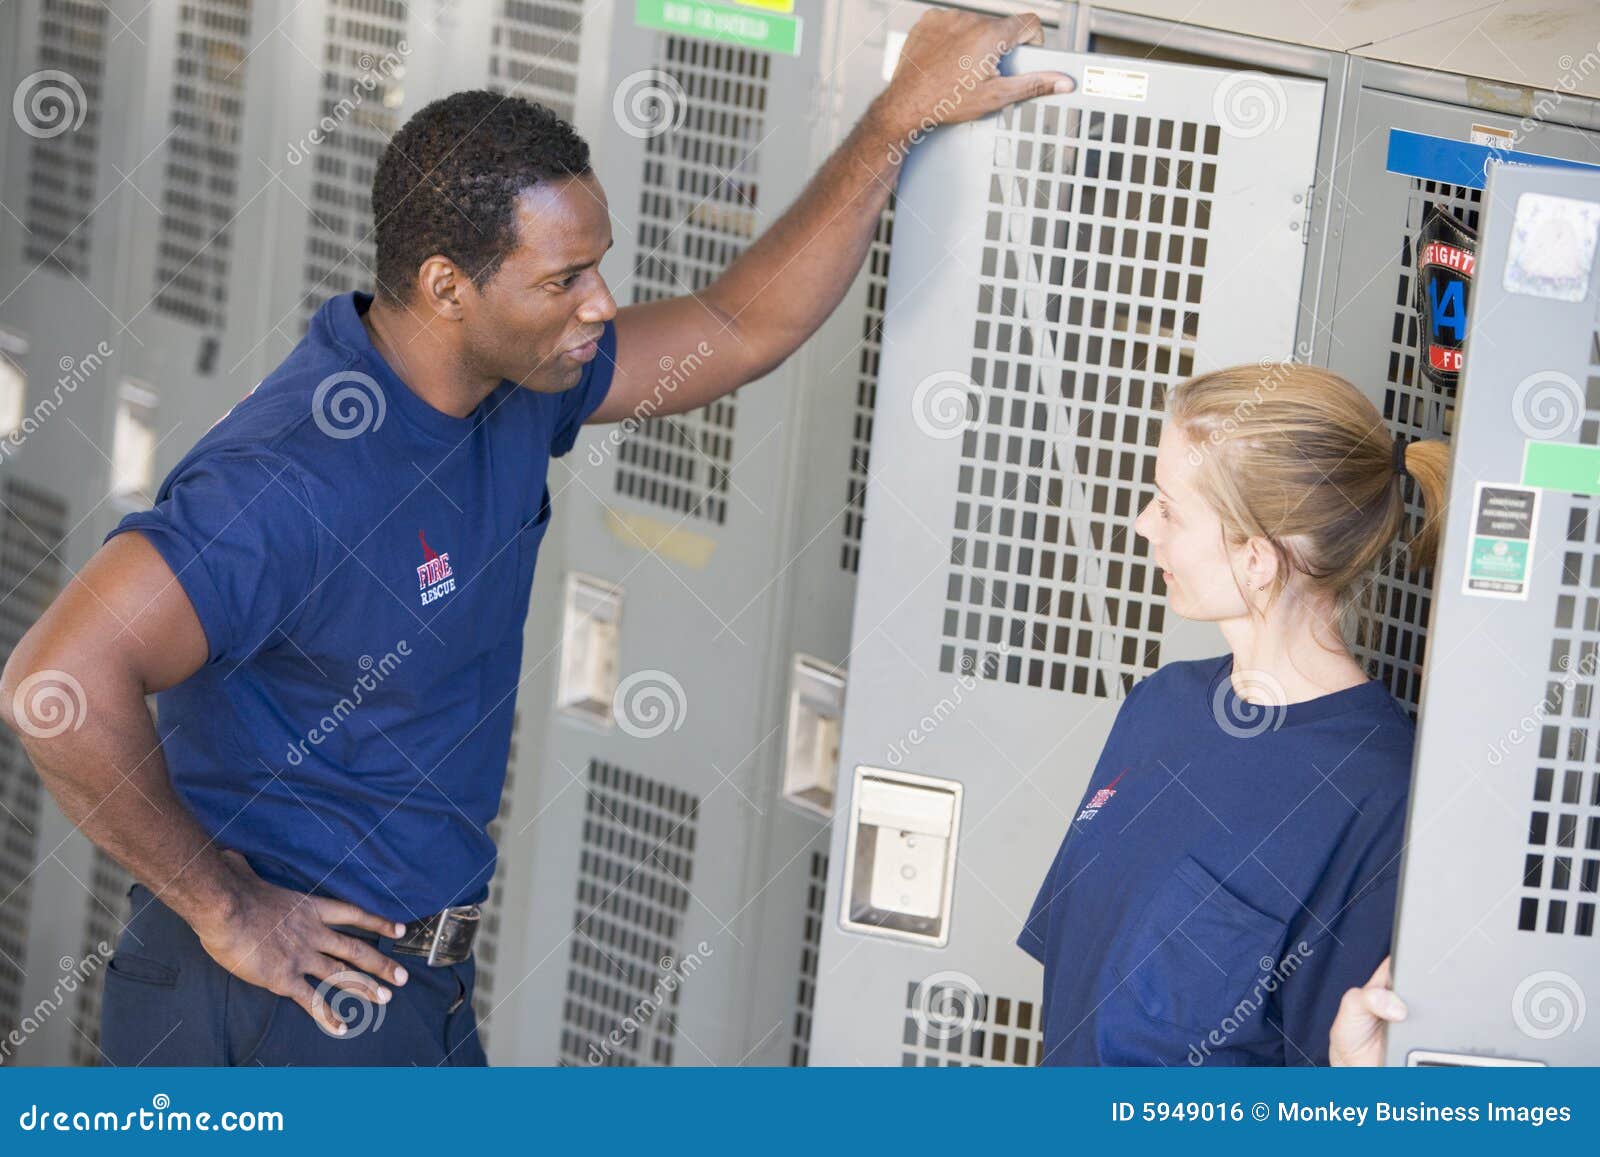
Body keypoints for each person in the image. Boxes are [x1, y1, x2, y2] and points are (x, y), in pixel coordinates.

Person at [0, 12, 1075, 1065]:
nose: (600, 303)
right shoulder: (293, 477)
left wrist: (894, 120)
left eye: (596, 267)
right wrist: (225, 905)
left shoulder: (514, 383)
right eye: (564, 280)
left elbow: (738, 327)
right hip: (277, 1003)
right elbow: (56, 679)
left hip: (402, 982)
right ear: (445, 288)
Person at [1017, 364, 1449, 1066]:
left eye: (1169, 507)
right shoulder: (1159, 706)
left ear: (1256, 560)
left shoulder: (1381, 801)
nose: (1141, 524)